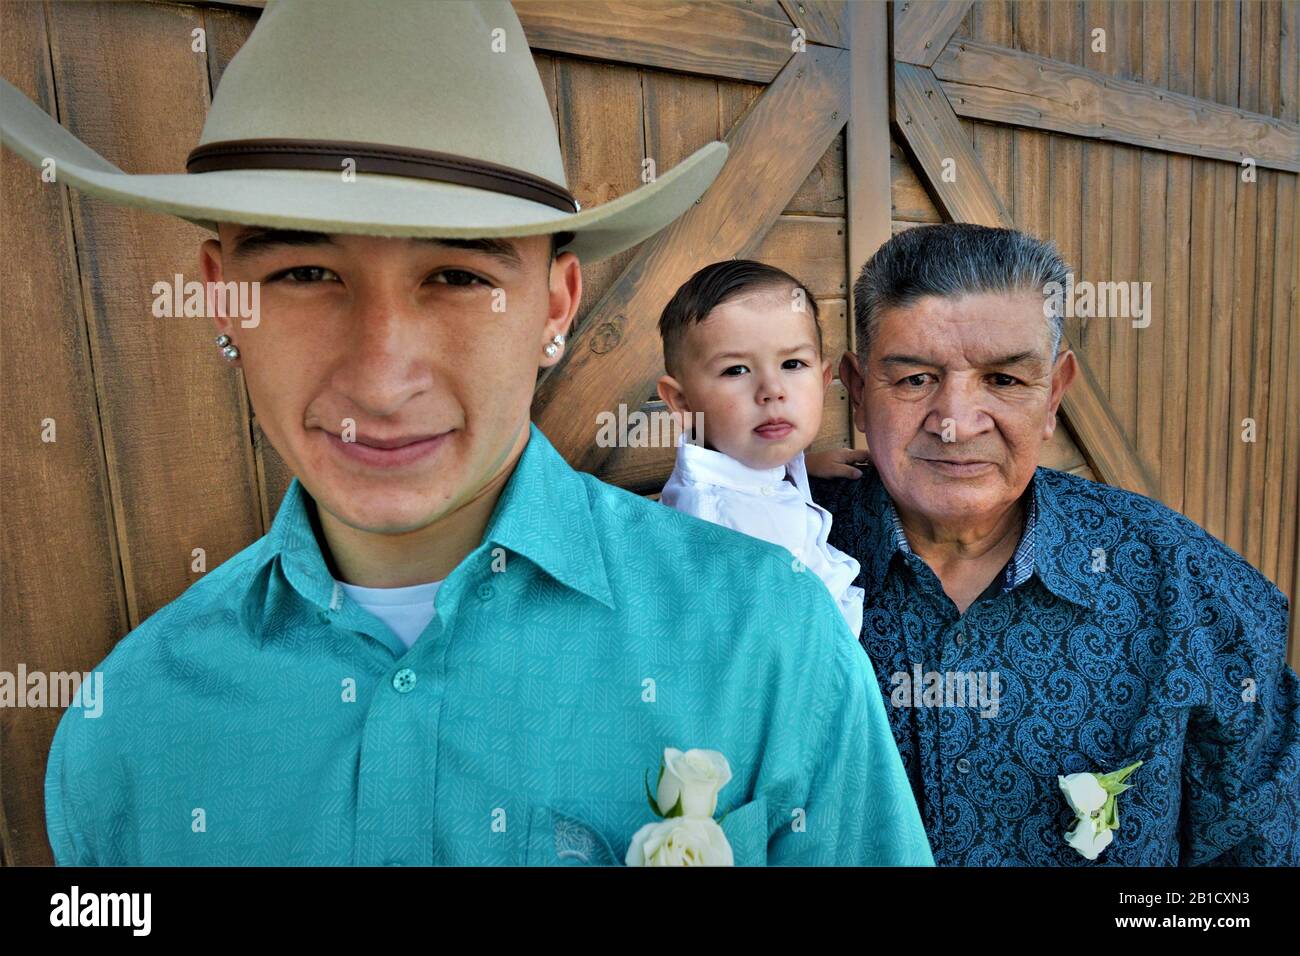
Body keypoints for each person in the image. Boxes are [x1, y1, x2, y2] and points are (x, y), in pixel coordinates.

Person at [3, 0, 932, 866]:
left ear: (555, 305)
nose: (381, 379)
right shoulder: (128, 731)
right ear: (222, 297)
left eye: (457, 277)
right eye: (304, 274)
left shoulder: (769, 641)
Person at [809, 222, 1300, 865]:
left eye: (1004, 381)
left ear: (1054, 395)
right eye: (915, 380)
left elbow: (1264, 854)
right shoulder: (776, 562)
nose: (956, 423)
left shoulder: (1186, 584)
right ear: (857, 390)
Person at [656, 259, 865, 637]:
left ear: (823, 380)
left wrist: (803, 463)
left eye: (792, 363)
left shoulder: (749, 456)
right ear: (682, 402)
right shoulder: (716, 528)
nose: (772, 390)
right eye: (736, 370)